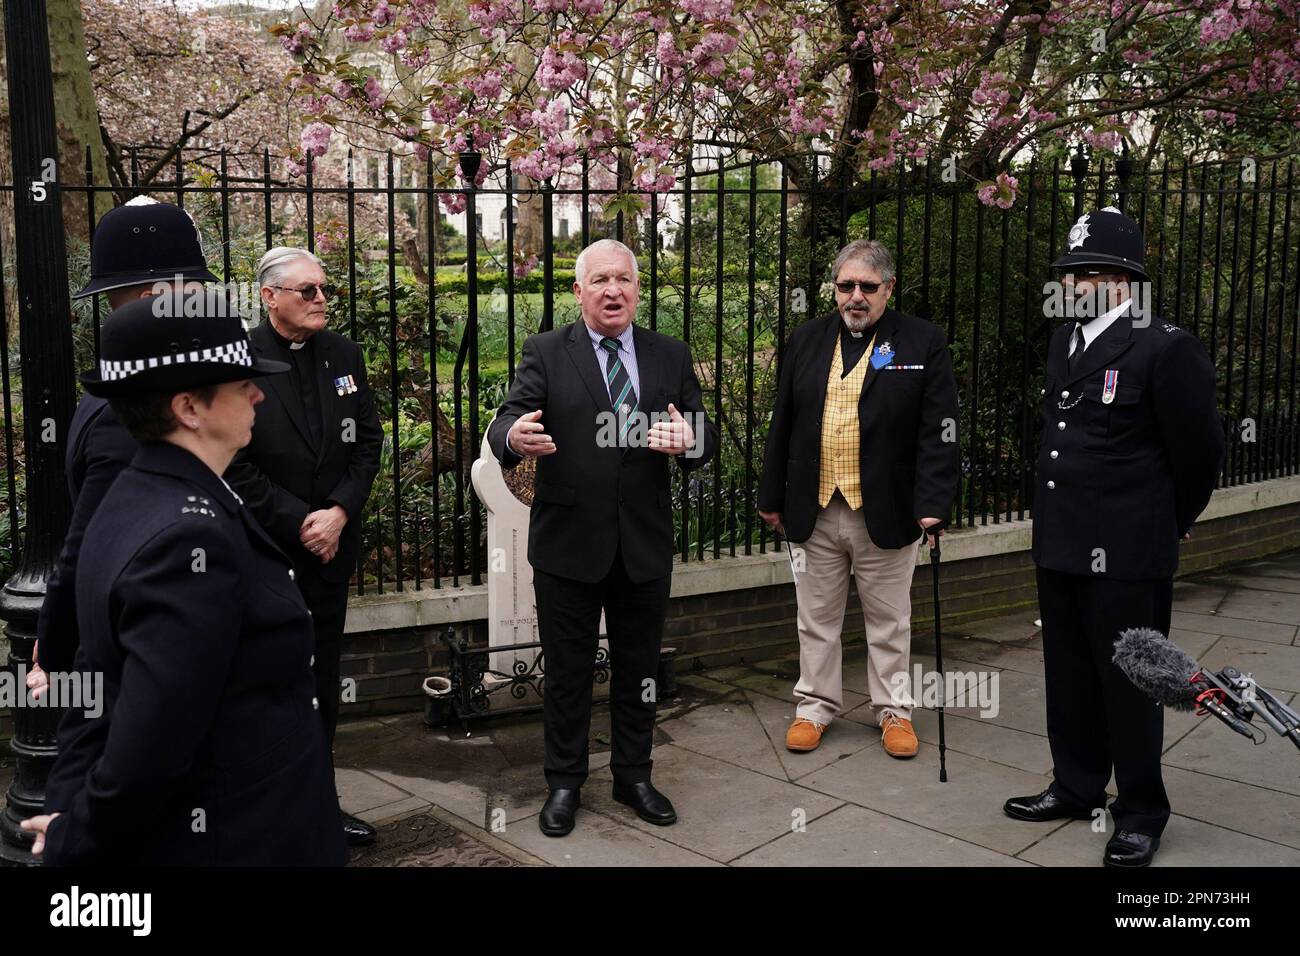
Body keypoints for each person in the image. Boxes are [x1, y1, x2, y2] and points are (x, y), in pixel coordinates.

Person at [21, 294, 346, 866]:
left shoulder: (138, 493)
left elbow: (96, 691)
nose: (257, 393)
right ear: (189, 408)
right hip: (238, 840)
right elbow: (152, 742)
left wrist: (68, 804)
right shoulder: (186, 540)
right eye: (240, 383)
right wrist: (78, 835)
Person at [1003, 207, 1225, 868]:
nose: (1080, 283)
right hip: (1063, 540)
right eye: (1074, 273)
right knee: (1068, 674)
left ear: (1127, 280)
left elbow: (1199, 452)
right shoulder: (1064, 340)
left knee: (1130, 682)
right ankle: (1075, 786)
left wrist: (1164, 522)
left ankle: (1141, 811)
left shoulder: (1165, 347)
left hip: (1128, 549)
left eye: (1096, 271)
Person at [485, 238, 718, 837]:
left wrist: (688, 438)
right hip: (568, 543)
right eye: (601, 281)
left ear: (638, 288)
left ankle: (633, 775)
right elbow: (509, 418)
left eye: (625, 279)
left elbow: (700, 429)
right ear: (579, 290)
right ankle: (564, 783)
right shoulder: (545, 351)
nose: (614, 290)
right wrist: (515, 440)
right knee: (567, 672)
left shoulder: (669, 352)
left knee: (639, 667)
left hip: (642, 541)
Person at [757, 239, 960, 758]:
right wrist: (770, 493)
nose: (855, 297)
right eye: (846, 285)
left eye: (868, 287)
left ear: (888, 289)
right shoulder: (806, 339)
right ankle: (814, 706)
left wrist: (935, 500)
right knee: (815, 618)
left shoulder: (921, 342)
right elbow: (783, 421)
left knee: (889, 620)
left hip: (886, 508)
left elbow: (939, 429)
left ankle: (893, 710)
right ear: (835, 288)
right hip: (815, 506)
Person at [224, 247, 383, 847]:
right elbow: (234, 461)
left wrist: (339, 512)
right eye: (307, 291)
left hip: (330, 550)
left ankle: (321, 803)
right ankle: (262, 809)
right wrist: (302, 522)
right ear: (269, 297)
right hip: (269, 552)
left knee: (324, 681)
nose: (321, 300)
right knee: (266, 682)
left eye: (323, 290)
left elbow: (368, 442)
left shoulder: (343, 354)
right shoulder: (242, 359)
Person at [32, 198, 220, 696]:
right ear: (154, 294)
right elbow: (88, 539)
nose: (199, 300)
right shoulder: (130, 412)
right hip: (147, 646)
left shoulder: (119, 387)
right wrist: (52, 650)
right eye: (190, 289)